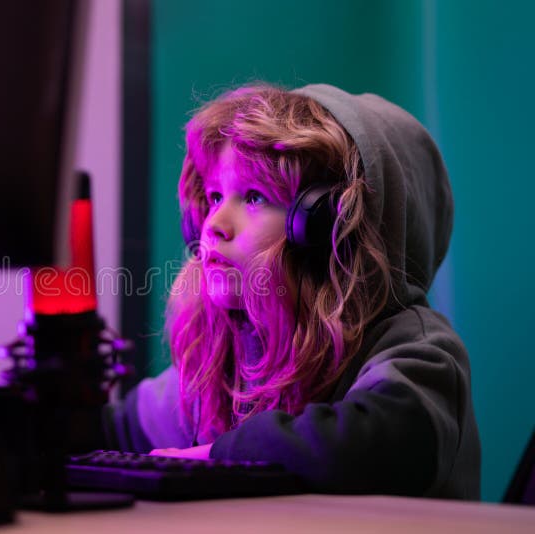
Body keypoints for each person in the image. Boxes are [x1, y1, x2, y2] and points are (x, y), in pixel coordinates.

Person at [105, 83, 480, 499]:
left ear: (325, 227)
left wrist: (221, 454)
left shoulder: (410, 344)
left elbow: (388, 441)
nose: (213, 224)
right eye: (214, 196)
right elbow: (115, 428)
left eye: (252, 196)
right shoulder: (225, 358)